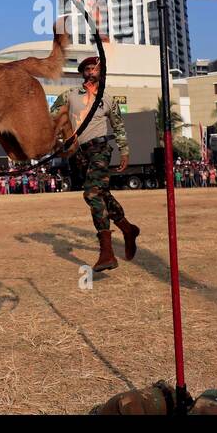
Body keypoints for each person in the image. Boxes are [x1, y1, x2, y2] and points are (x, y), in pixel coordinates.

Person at [50, 56, 139, 272]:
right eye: (87, 69)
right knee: (102, 195)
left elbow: (118, 126)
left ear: (100, 73)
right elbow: (52, 117)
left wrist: (124, 150)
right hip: (78, 154)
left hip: (100, 150)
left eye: (94, 69)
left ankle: (107, 252)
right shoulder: (69, 96)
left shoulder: (108, 99)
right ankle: (128, 229)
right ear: (82, 73)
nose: (90, 72)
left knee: (91, 194)